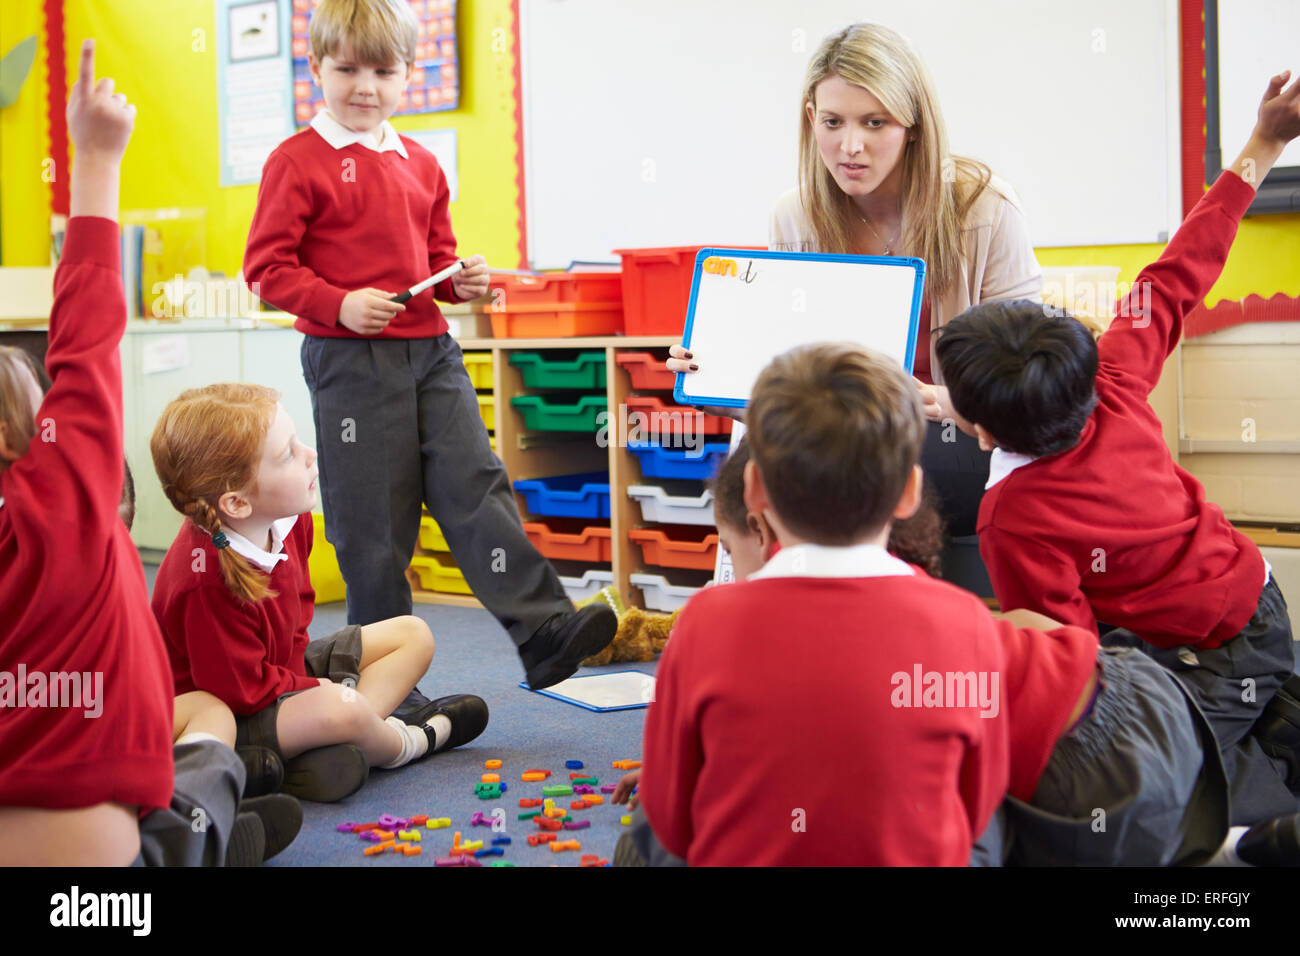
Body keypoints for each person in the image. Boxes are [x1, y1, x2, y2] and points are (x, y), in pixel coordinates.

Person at [933, 70, 1300, 827]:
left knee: (1137, 780)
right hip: (1258, 596)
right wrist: (1264, 142)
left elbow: (1074, 661)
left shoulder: (1014, 517)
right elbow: (1182, 268)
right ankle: (1271, 705)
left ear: (981, 428)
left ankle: (1257, 785)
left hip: (1206, 654)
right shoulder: (1115, 370)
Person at [242, 0, 615, 693]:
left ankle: (541, 629)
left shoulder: (422, 163)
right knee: (374, 523)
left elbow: (437, 261)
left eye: (383, 71)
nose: (364, 86)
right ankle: (385, 681)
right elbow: (265, 269)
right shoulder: (295, 162)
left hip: (433, 351)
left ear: (407, 73)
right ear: (316, 68)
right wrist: (340, 305)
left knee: (477, 483)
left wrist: (464, 282)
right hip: (352, 360)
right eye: (347, 68)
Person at [639, 344, 1015, 865]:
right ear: (909, 494)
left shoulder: (704, 622)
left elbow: (672, 818)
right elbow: (975, 804)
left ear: (753, 490)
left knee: (642, 836)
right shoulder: (968, 621)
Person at [668, 22, 1042, 545]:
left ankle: (867, 615)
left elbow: (1028, 385)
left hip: (960, 434)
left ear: (912, 125)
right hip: (841, 427)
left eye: (874, 123)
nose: (851, 146)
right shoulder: (793, 217)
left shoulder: (984, 209)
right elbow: (798, 376)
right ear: (810, 119)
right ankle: (780, 621)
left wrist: (934, 400)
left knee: (857, 465)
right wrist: (722, 380)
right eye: (833, 122)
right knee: (747, 475)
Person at [149, 383, 488, 802]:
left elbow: (299, 614)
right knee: (341, 708)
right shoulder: (203, 580)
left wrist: (310, 683)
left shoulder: (291, 520)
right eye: (287, 454)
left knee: (414, 634)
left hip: (280, 674)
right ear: (236, 504)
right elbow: (240, 690)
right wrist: (320, 693)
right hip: (236, 708)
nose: (310, 454)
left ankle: (333, 745)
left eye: (297, 441)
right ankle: (408, 742)